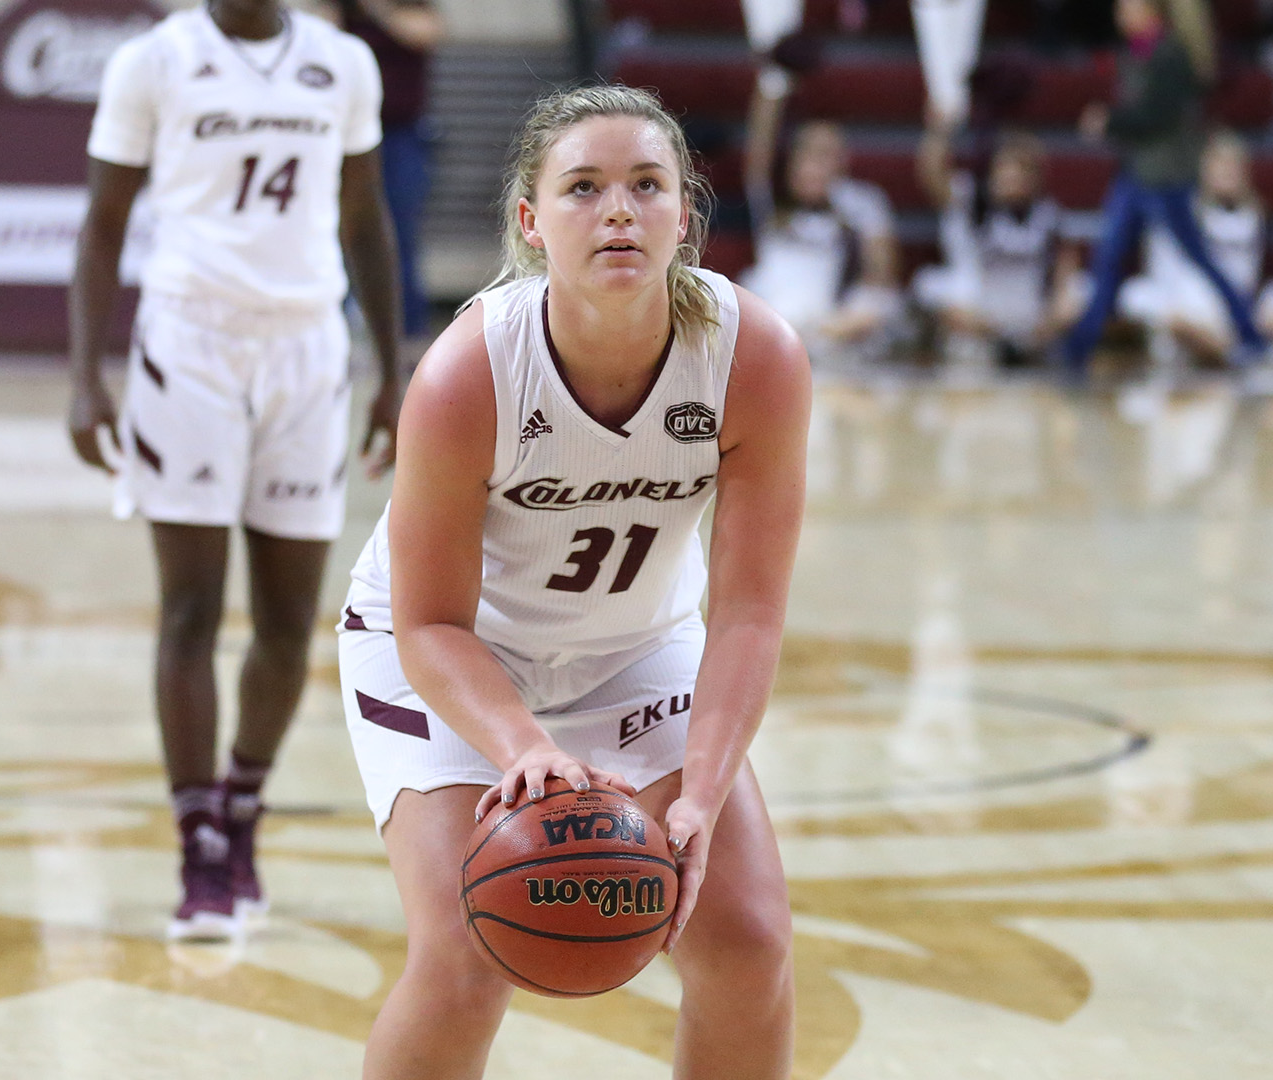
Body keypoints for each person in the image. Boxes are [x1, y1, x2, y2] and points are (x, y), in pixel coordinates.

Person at [336, 84, 809, 1079]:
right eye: (583, 188)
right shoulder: (469, 372)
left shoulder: (752, 355)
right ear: (530, 221)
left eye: (647, 185)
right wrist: (525, 748)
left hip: (637, 650)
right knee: (466, 956)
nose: (619, 211)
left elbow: (753, 610)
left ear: (686, 214)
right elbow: (427, 622)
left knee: (748, 941)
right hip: (446, 652)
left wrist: (704, 793)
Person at [65, 0, 404, 941]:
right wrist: (86, 377)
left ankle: (244, 806)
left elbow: (366, 218)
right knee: (191, 608)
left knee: (293, 619)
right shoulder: (153, 63)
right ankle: (198, 841)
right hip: (190, 343)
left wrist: (393, 369)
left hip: (308, 350)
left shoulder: (343, 64)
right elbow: (101, 226)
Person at [1064, 0, 1266, 372]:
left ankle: (1250, 335)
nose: (1119, 14)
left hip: (1166, 176)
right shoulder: (1140, 53)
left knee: (1199, 258)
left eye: (1127, 7)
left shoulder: (1172, 54)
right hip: (1138, 173)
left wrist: (1110, 121)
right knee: (1108, 259)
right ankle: (1078, 347)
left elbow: (1156, 116)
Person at [739, 63, 903, 370]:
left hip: (829, 321)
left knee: (878, 306)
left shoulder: (859, 203)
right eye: (810, 153)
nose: (817, 164)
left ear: (843, 161)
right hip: (775, 311)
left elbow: (882, 278)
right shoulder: (773, 199)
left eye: (827, 155)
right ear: (793, 160)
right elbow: (759, 149)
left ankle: (812, 346)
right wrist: (772, 87)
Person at [1117, 131, 1273, 368]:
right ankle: (1237, 351)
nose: (1226, 172)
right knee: (1155, 303)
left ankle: (1236, 348)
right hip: (1199, 303)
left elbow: (1259, 278)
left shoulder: (1256, 214)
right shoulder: (1186, 212)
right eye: (1219, 165)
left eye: (1232, 166)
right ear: (1204, 170)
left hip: (1239, 307)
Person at [913, 116, 1084, 368]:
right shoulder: (970, 201)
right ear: (992, 171)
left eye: (1023, 169)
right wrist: (940, 129)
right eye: (1007, 168)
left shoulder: (1048, 214)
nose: (1014, 177)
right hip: (978, 316)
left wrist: (1054, 317)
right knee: (932, 286)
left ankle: (1029, 351)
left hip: (1030, 317)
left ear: (1037, 177)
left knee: (1079, 293)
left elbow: (1066, 268)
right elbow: (931, 174)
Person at [336, 0, 443, 341]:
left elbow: (426, 32)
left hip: (400, 135)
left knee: (400, 235)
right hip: (344, 138)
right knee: (335, 232)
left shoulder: (406, 5)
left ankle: (408, 335)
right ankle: (338, 333)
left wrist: (376, 7)